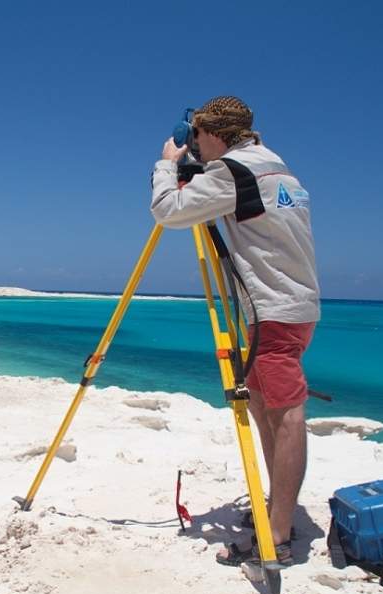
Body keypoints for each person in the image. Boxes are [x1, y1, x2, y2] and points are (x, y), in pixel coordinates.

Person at [150, 96, 320, 566]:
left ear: (214, 135)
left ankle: (279, 533)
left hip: (273, 312)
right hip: (290, 307)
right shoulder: (278, 171)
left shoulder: (234, 172)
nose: (196, 146)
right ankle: (275, 508)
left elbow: (169, 211)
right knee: (265, 406)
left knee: (285, 415)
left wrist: (168, 167)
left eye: (199, 138)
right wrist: (201, 170)